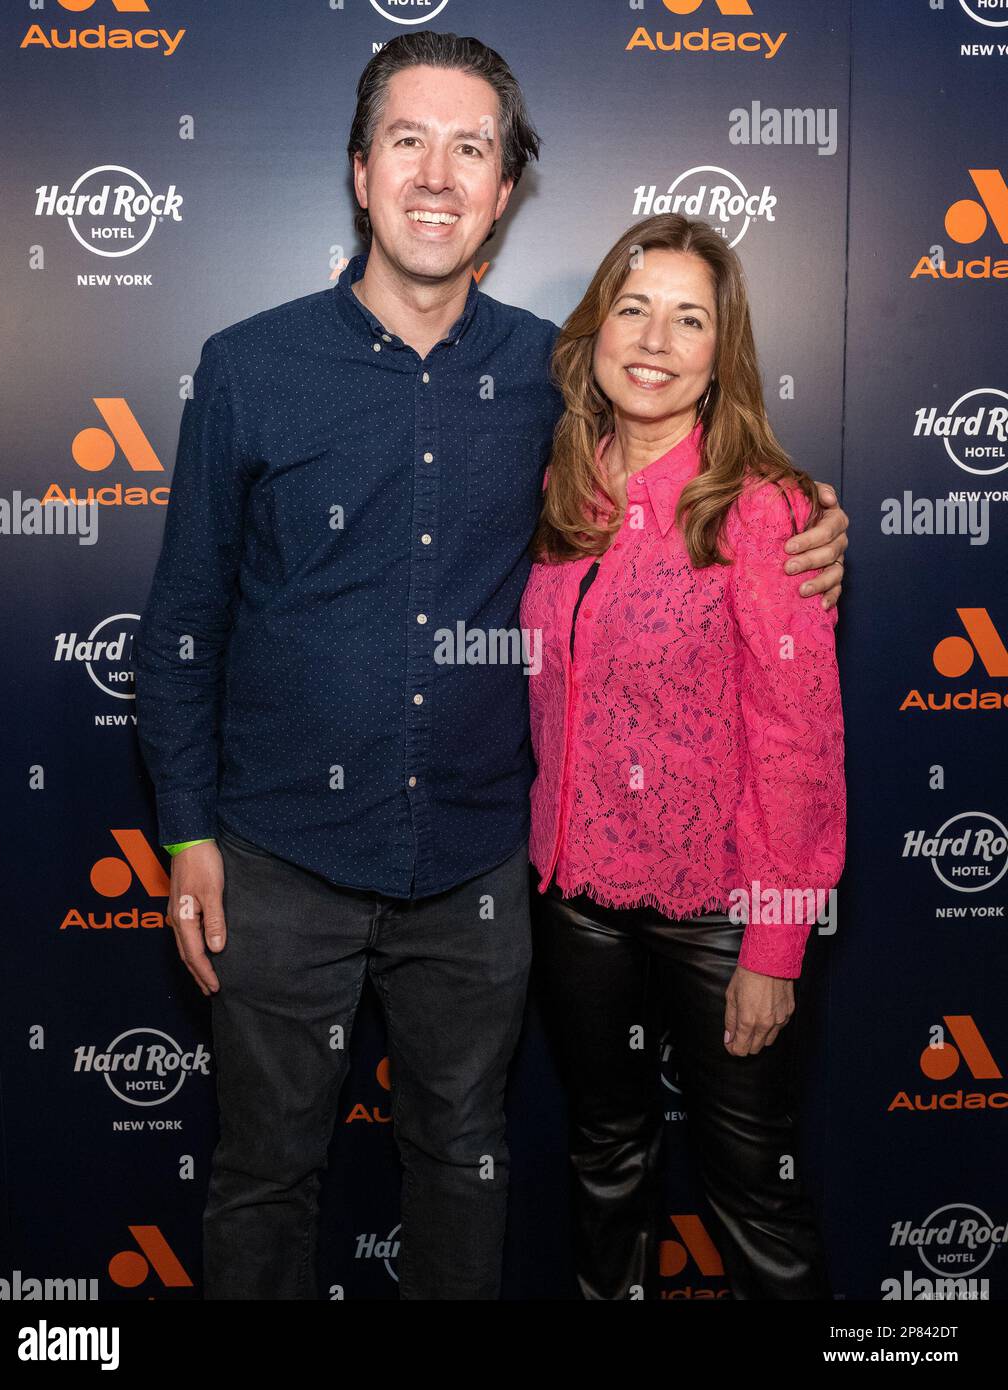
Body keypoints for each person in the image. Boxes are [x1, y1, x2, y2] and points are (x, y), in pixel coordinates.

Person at [132, 33, 849, 1301]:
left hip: (472, 867)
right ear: (359, 172)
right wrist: (186, 833)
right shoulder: (246, 369)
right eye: (406, 140)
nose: (435, 175)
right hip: (279, 859)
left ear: (503, 190)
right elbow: (184, 618)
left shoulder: (554, 375)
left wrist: (804, 519)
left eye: (470, 147)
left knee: (463, 1165)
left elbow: (687, 448)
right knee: (261, 1175)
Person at [521, 213, 846, 1300]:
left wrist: (773, 944)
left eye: (687, 316)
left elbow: (798, 744)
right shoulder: (562, 491)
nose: (654, 338)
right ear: (595, 332)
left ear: (721, 351)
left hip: (721, 913)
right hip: (574, 901)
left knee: (750, 1189)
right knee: (605, 1159)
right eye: (632, 307)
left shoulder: (766, 512)